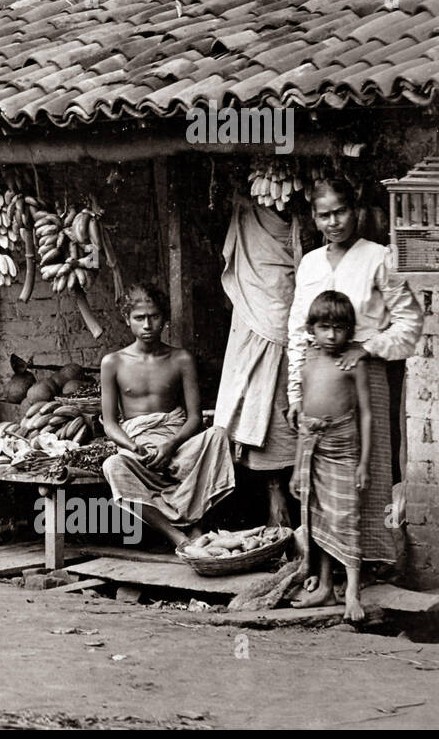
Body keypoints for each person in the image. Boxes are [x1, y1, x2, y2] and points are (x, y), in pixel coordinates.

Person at [285, 176, 422, 572]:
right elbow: (297, 331)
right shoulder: (310, 263)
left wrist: (367, 346)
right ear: (313, 217)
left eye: (341, 211)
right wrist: (296, 394)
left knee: (368, 473)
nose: (334, 222)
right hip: (318, 382)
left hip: (363, 376)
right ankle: (324, 573)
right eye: (324, 215)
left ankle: (367, 567)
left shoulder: (379, 257)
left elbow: (409, 323)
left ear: (355, 211)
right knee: (320, 479)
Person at [100, 282, 235, 549]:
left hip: (179, 449)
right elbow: (111, 424)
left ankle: (196, 525)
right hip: (138, 453)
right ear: (127, 320)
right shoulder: (113, 362)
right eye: (139, 318)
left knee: (217, 435)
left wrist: (171, 445)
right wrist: (132, 446)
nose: (147, 325)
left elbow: (195, 417)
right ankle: (179, 538)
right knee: (112, 466)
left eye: (154, 317)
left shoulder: (181, 359)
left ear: (165, 318)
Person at [213, 192, 299, 525]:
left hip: (284, 309)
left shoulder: (296, 219)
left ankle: (291, 513)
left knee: (284, 398)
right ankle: (273, 499)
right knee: (257, 396)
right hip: (254, 313)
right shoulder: (249, 210)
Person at [289, 291, 372, 622]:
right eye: (324, 327)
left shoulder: (353, 361)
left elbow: (366, 413)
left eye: (339, 328)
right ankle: (324, 587)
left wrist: (364, 462)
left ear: (349, 330)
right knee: (319, 516)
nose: (332, 335)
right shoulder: (308, 359)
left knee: (346, 517)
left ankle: (351, 591)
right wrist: (297, 468)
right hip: (313, 447)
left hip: (343, 446)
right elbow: (305, 421)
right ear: (312, 328)